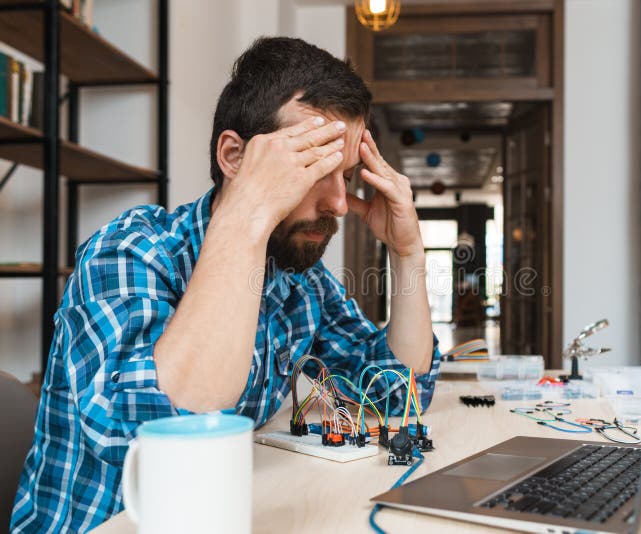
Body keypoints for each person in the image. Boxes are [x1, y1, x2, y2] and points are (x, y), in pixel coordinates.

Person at [11, 37, 441, 533]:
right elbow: (158, 437)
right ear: (234, 157)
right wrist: (248, 215)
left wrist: (407, 254)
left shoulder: (300, 281)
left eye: (344, 175)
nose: (340, 204)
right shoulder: (129, 251)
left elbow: (394, 393)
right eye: (311, 168)